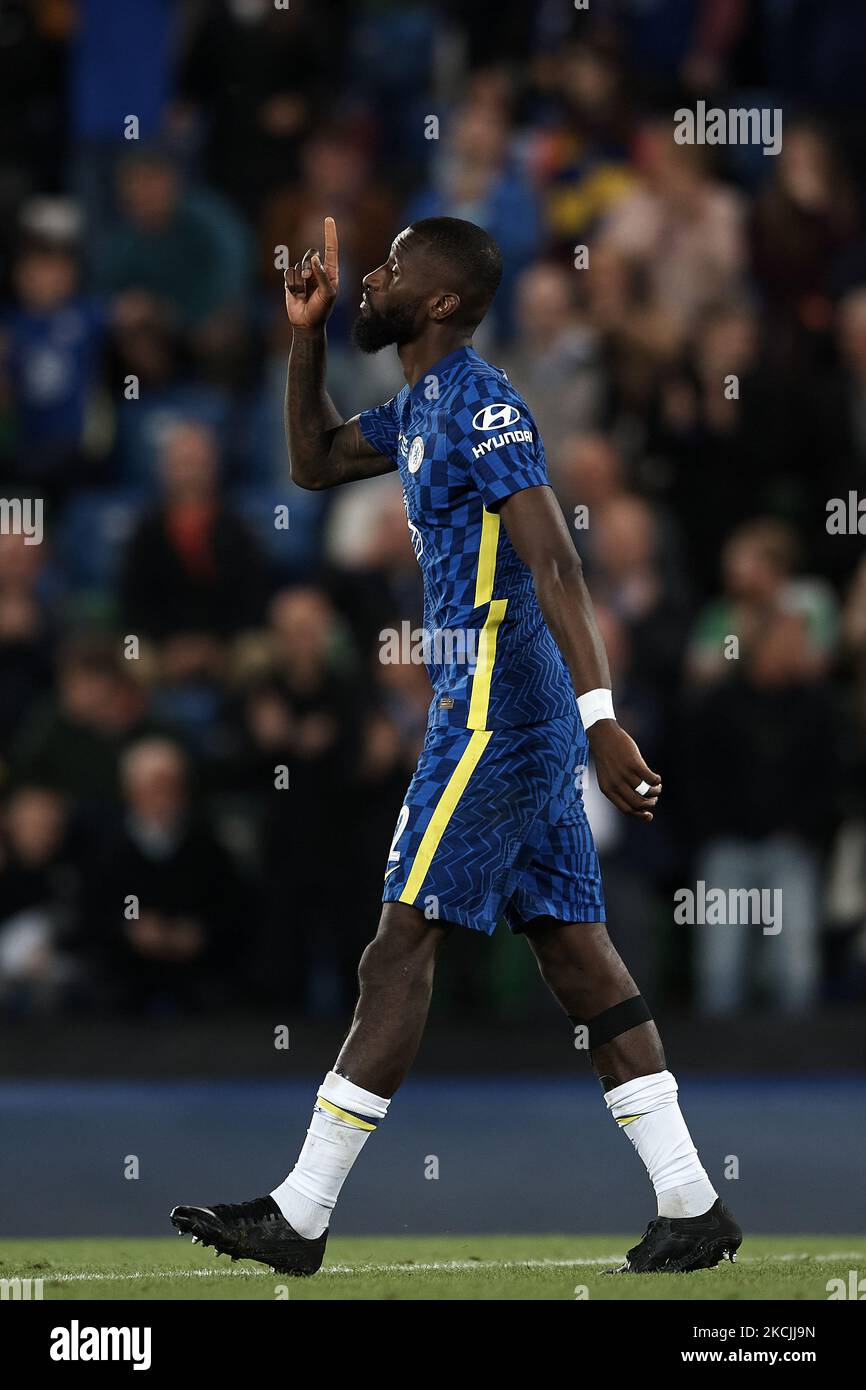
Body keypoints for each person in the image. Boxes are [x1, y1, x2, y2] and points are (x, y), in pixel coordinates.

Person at [171, 216, 741, 1276]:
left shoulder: (484, 407)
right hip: (494, 711)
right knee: (576, 954)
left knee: (398, 942)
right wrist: (303, 336)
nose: (370, 281)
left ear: (437, 302)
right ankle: (690, 1200)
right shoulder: (419, 404)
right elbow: (310, 462)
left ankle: (299, 1212)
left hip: (496, 715)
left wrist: (600, 716)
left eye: (390, 268)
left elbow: (556, 564)